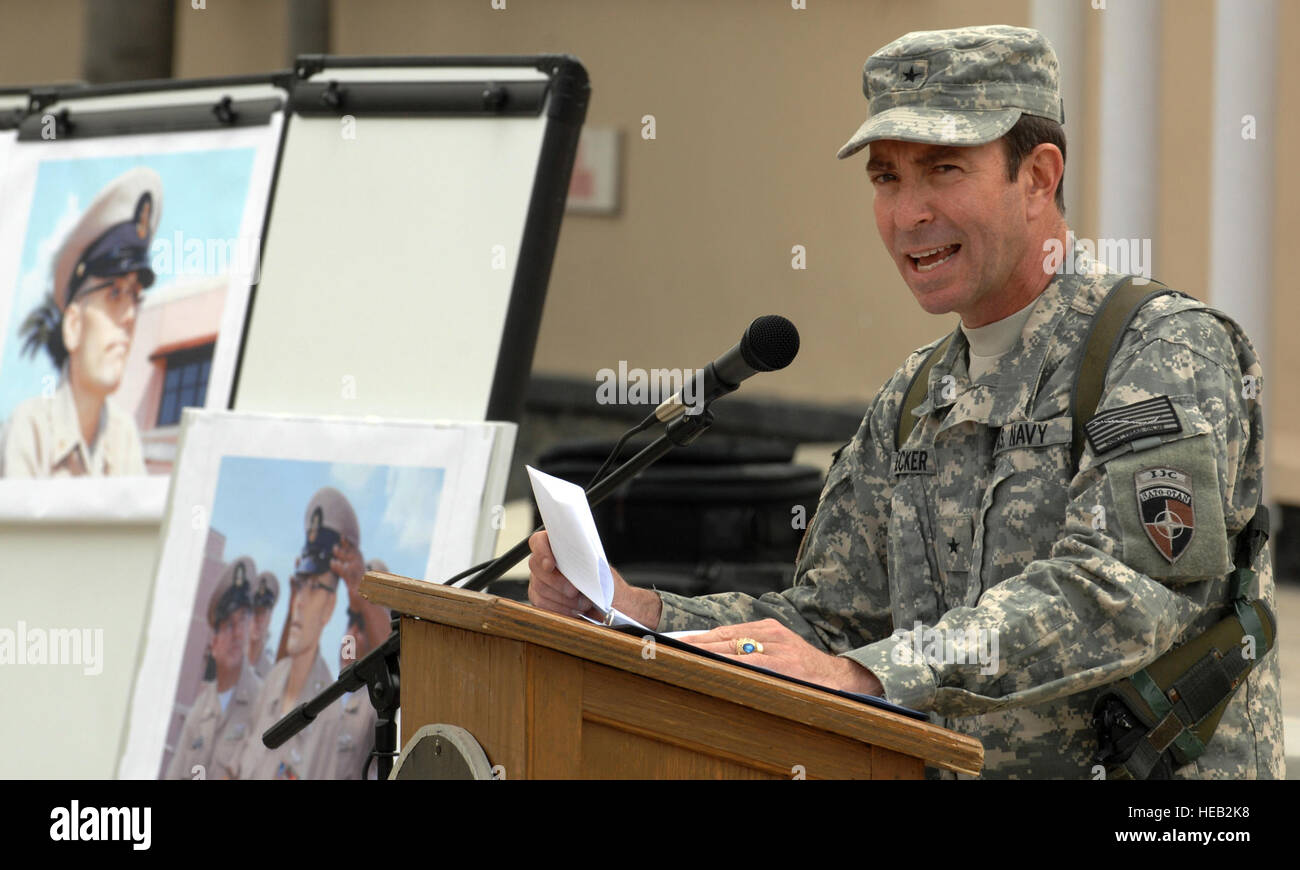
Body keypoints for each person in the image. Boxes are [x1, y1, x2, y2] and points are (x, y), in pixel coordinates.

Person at [526, 25, 1283, 779]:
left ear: (1039, 176)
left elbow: (1118, 596)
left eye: (943, 169)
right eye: (886, 178)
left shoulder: (1160, 352)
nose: (908, 213)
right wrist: (638, 615)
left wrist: (872, 673)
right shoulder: (917, 396)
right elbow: (827, 626)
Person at [2, 168, 161, 478]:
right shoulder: (31, 429)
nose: (130, 317)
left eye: (135, 298)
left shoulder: (124, 437)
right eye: (115, 293)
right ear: (73, 325)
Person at [233, 488, 356, 780]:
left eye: (314, 587)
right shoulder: (274, 679)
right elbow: (236, 768)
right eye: (300, 585)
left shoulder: (329, 713)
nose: (300, 601)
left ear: (329, 607)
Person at [164, 556, 263, 780]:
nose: (237, 633)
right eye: (228, 625)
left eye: (243, 620)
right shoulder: (200, 710)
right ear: (214, 640)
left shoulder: (263, 703)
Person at [248, 571, 279, 679]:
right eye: (255, 611)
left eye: (263, 613)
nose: (259, 619)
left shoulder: (272, 674)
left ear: (270, 618)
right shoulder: (230, 660)